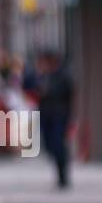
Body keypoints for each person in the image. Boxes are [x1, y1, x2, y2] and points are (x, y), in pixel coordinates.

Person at [32, 51, 74, 189]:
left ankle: (63, 176)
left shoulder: (62, 77)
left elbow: (67, 95)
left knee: (58, 145)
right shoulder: (42, 77)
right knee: (49, 145)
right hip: (46, 116)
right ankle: (60, 172)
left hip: (58, 115)